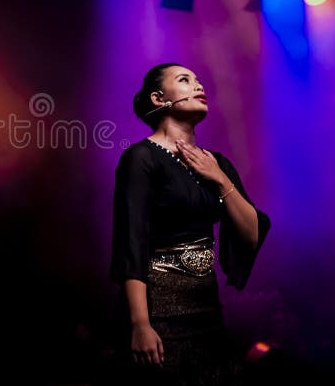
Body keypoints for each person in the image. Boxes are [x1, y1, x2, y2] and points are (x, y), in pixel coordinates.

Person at [109, 63, 270, 385]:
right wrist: (140, 324)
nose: (199, 86)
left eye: (198, 80)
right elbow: (131, 242)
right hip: (158, 310)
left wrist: (220, 178)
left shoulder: (216, 163)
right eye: (184, 80)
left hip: (207, 312)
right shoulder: (141, 158)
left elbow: (251, 235)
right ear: (158, 98)